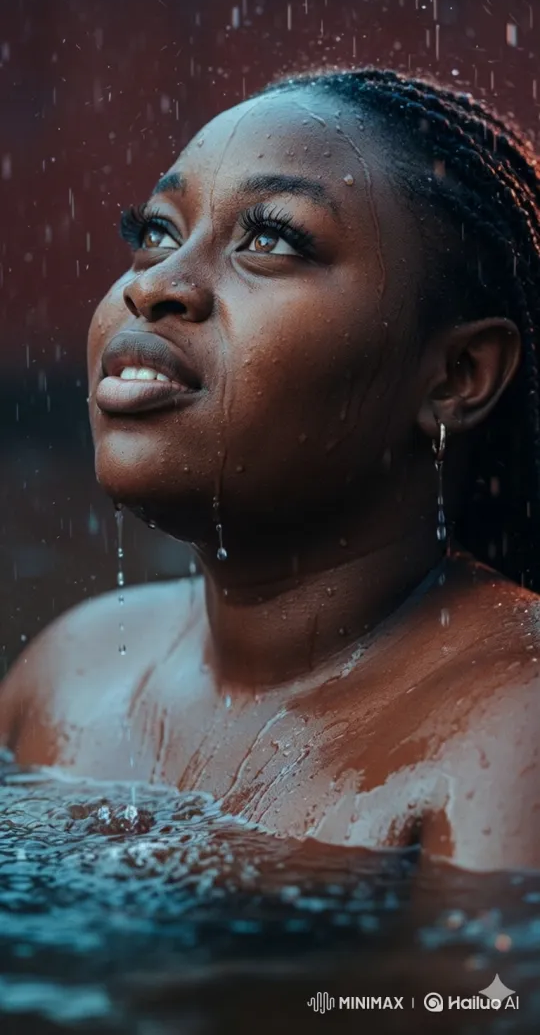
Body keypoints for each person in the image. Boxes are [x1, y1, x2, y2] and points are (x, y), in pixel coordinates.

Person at [1, 67, 539, 871]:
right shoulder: (69, 671)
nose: (154, 286)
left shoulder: (512, 724)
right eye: (155, 230)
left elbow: (466, 1004)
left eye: (271, 239)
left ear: (457, 375)